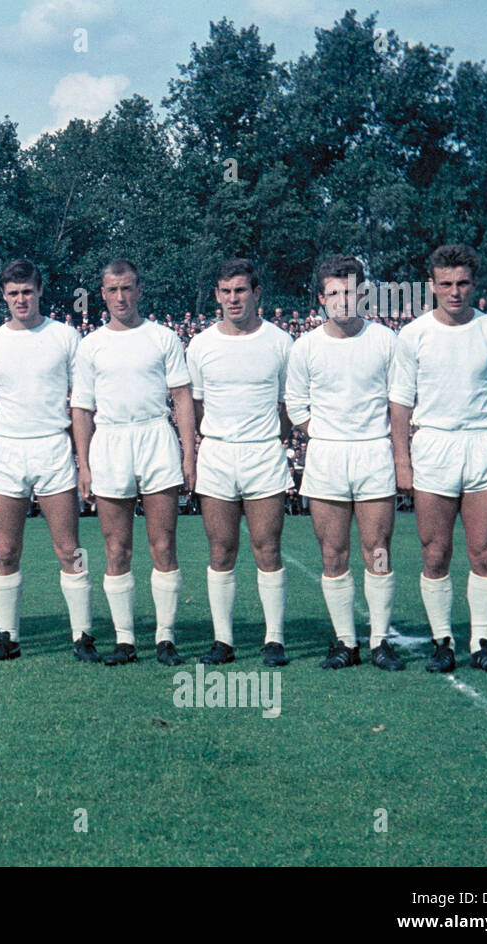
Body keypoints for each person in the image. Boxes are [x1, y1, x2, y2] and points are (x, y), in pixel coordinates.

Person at [390, 243, 487, 674]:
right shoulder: (413, 334)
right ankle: (442, 641)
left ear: (474, 283)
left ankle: (482, 642)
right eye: (446, 284)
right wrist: (403, 462)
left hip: (483, 446)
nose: (455, 291)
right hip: (434, 447)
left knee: (484, 552)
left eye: (463, 283)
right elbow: (401, 404)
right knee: (434, 553)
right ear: (432, 285)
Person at [70, 259, 196, 666]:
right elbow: (82, 409)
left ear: (139, 289)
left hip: (155, 437)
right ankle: (125, 640)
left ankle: (165, 637)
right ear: (102, 293)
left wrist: (188, 453)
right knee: (116, 548)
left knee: (163, 543)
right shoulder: (90, 345)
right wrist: (85, 465)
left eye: (127, 288)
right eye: (112, 290)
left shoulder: (163, 338)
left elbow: (181, 398)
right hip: (110, 442)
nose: (120, 297)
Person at [285, 255, 402, 671]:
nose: (342, 300)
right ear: (321, 298)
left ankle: (380, 643)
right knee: (333, 553)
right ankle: (345, 643)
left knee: (379, 550)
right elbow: (296, 405)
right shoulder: (306, 347)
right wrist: (325, 433)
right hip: (327, 457)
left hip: (374, 453)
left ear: (363, 294)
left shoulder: (386, 341)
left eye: (350, 292)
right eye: (333, 293)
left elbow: (399, 399)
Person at [0, 259, 95, 663]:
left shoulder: (65, 336)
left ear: (39, 291)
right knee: (6, 551)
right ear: (4, 296)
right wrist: (10, 432)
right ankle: (7, 638)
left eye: (27, 291)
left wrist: (83, 459)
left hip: (54, 450)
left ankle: (83, 636)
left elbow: (81, 400)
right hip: (8, 452)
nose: (20, 299)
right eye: (13, 293)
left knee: (70, 549)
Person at [187, 258, 294, 667]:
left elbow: (290, 403)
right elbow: (194, 405)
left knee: (267, 547)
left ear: (256, 293)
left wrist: (271, 436)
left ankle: (275, 640)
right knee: (221, 549)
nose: (234, 299)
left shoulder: (280, 342)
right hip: (216, 453)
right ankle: (223, 641)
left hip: (264, 452)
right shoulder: (200, 344)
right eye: (226, 291)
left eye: (241, 291)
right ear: (216, 295)